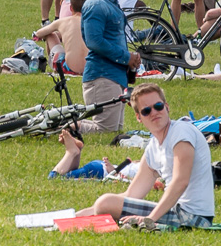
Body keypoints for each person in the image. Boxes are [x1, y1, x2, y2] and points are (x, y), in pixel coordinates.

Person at [73, 84, 213, 229]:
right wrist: (77, 215)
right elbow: (132, 194)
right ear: (139, 117)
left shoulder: (181, 132)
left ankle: (139, 224)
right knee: (104, 203)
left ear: (167, 107)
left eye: (158, 106)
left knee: (105, 203)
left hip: (194, 218)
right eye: (146, 111)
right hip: (176, 212)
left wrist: (150, 219)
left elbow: (180, 181)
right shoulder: (153, 147)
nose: (154, 112)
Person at [81, 0, 142, 133]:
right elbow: (94, 41)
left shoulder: (110, 2)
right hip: (102, 75)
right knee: (104, 130)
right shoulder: (96, 5)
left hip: (114, 76)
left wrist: (130, 58)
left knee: (115, 132)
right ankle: (64, 128)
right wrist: (126, 57)